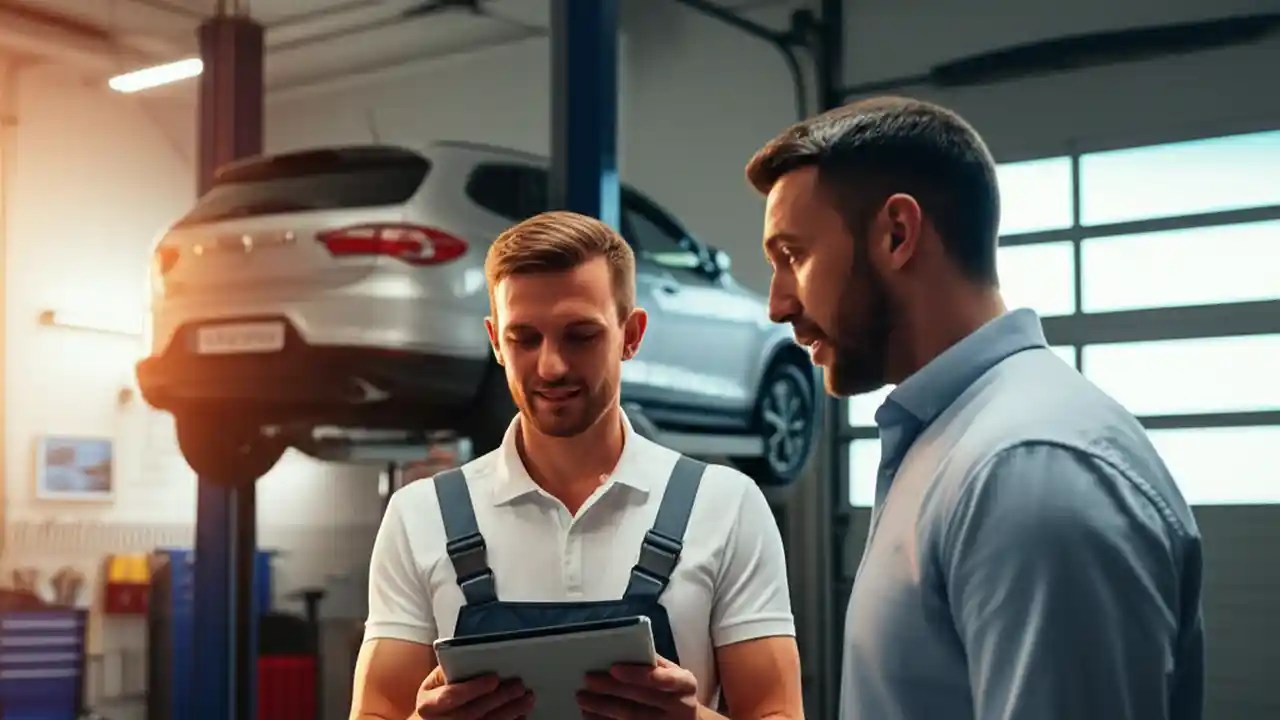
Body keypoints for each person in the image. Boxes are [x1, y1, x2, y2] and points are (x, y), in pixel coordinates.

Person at [746, 96, 1205, 720]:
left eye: (793, 257)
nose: (777, 304)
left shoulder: (1027, 469)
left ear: (897, 235)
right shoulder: (953, 441)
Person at [349, 211, 804, 719]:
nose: (552, 366)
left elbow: (778, 712)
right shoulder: (419, 517)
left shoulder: (726, 507)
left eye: (580, 335)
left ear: (631, 334)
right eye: (525, 338)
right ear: (496, 340)